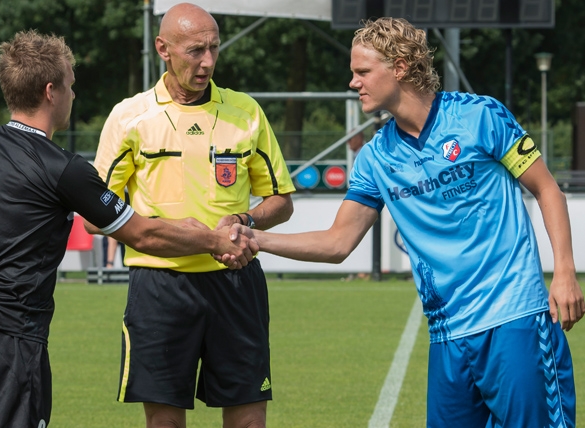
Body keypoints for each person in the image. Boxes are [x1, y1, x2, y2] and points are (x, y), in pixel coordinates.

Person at [234, 17, 584, 427]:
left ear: (399, 67)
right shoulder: (375, 158)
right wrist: (255, 239)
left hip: (514, 321)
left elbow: (548, 190)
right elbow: (337, 242)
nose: (353, 83)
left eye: (362, 72)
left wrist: (563, 272)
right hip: (447, 337)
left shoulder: (481, 116)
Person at [0, 30, 256, 428]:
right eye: (71, 86)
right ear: (51, 91)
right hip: (9, 336)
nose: (75, 95)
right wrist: (212, 239)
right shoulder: (62, 168)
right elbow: (141, 234)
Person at [92, 4, 295, 427]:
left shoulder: (246, 112)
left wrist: (247, 220)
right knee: (164, 421)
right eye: (195, 51)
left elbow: (281, 200)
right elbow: (97, 213)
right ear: (163, 48)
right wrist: (166, 233)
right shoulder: (130, 116)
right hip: (160, 285)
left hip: (237, 284)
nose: (207, 62)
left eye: (214, 49)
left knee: (249, 420)